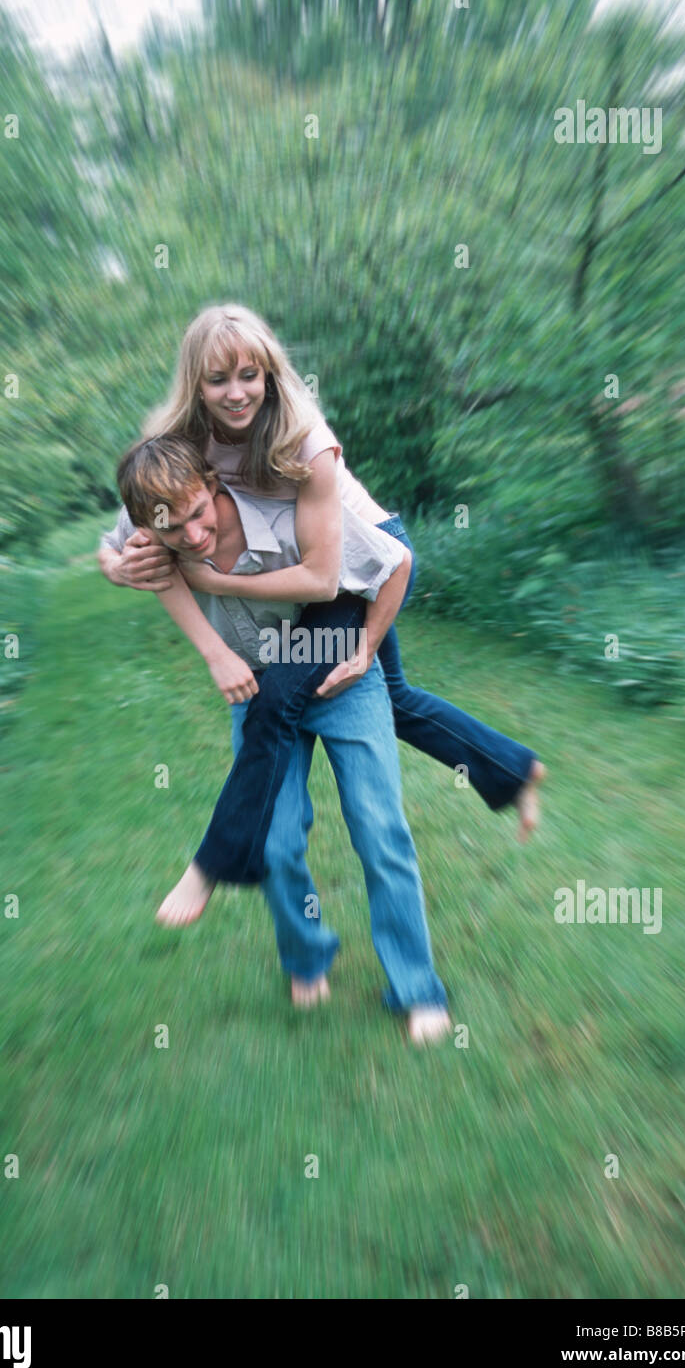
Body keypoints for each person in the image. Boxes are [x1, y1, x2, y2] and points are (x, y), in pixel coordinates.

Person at [99, 303, 545, 925]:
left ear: (269, 372)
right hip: (319, 567)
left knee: (277, 693)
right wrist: (116, 564)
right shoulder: (181, 447)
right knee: (395, 701)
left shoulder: (299, 433)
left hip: (363, 559)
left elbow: (327, 573)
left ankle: (215, 862)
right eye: (217, 380)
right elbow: (130, 526)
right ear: (194, 385)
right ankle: (514, 769)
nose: (235, 394)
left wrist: (353, 639)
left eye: (248, 375)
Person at [115, 433, 452, 1046]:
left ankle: (418, 987)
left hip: (341, 678)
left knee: (380, 831)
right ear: (146, 526)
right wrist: (119, 565)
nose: (192, 536)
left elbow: (395, 561)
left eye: (199, 515)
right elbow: (114, 553)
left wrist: (368, 648)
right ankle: (306, 955)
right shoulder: (155, 525)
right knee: (274, 842)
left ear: (214, 487)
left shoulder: (284, 510)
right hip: (259, 689)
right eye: (171, 529)